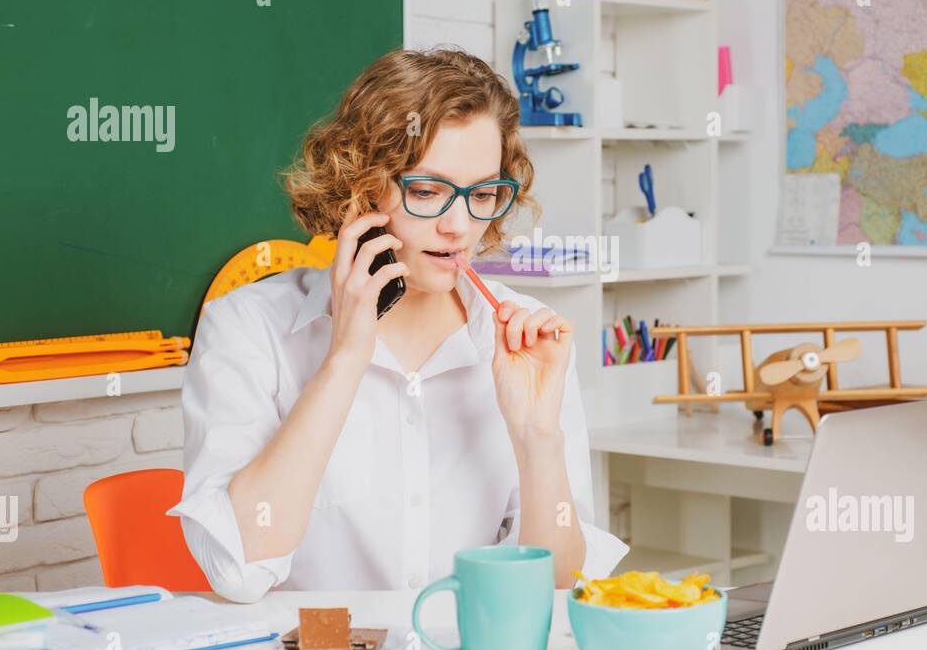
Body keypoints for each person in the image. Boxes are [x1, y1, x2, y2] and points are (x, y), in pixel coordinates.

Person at [168, 48, 629, 603]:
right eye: (428, 191)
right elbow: (237, 571)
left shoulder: (526, 344)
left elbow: (558, 590)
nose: (460, 226)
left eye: (482, 194)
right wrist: (343, 360)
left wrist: (537, 441)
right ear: (361, 186)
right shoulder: (246, 328)